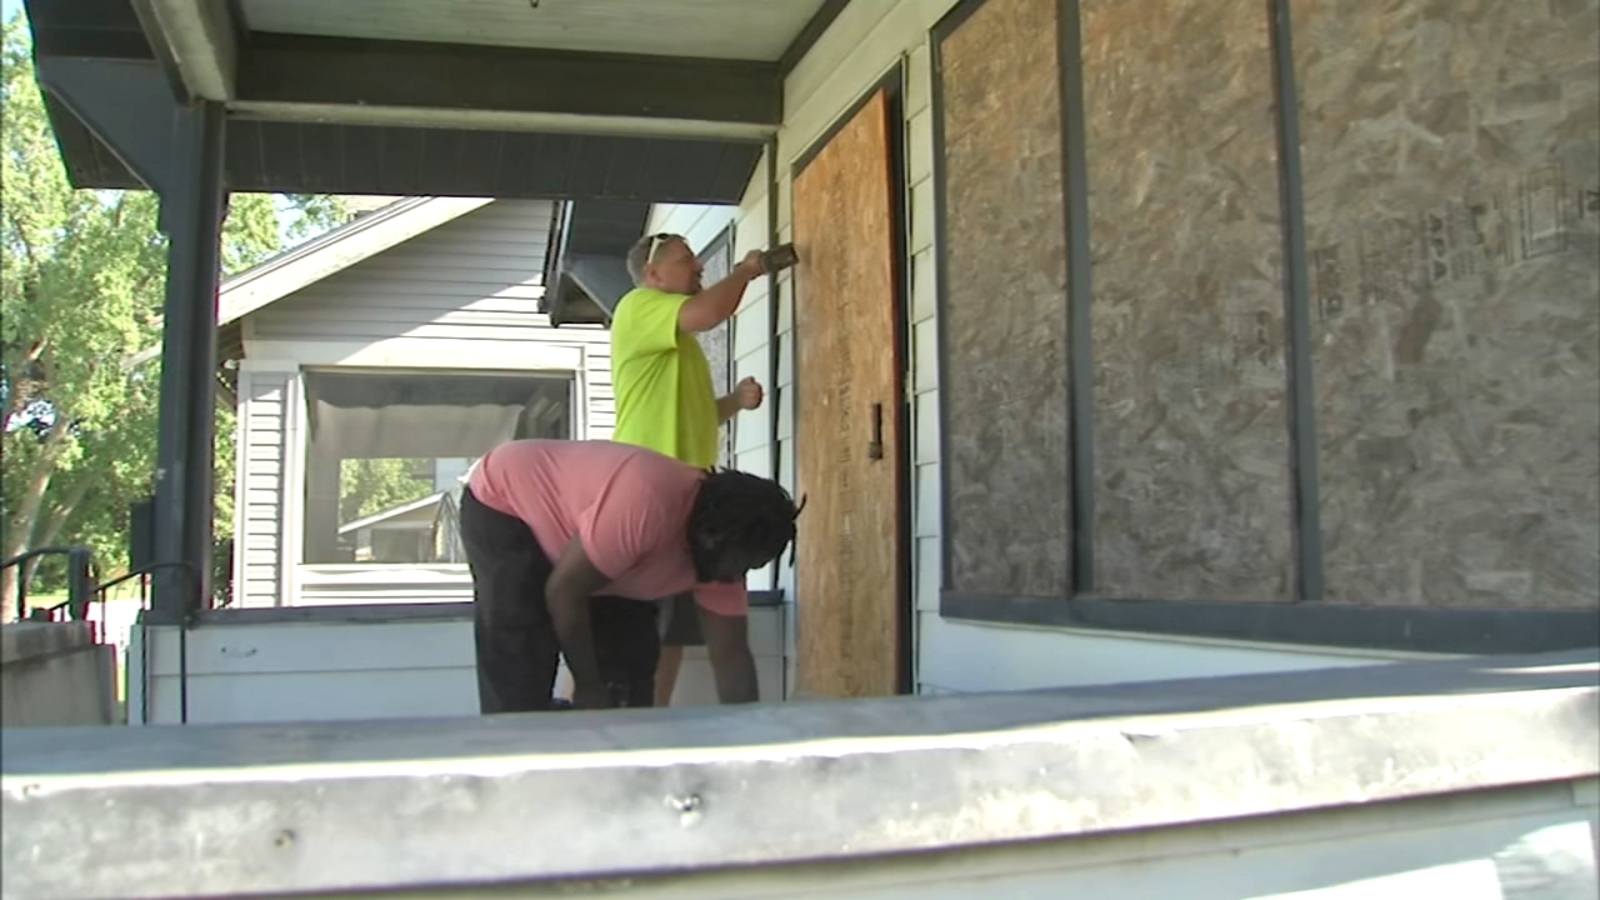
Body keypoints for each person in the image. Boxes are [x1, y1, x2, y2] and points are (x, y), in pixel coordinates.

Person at [459, 438, 799, 712]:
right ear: (712, 537)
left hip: (599, 553)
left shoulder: (726, 557)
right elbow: (563, 592)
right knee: (521, 663)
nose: (736, 578)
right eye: (739, 566)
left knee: (626, 688)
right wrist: (587, 686)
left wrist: (752, 738)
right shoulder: (650, 500)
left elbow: (731, 656)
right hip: (510, 501)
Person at [611, 231, 768, 706]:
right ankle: (599, 726)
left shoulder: (679, 344)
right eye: (685, 260)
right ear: (653, 274)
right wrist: (746, 271)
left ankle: (654, 723)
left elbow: (694, 414)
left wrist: (734, 402)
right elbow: (709, 313)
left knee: (670, 629)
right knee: (629, 628)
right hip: (646, 490)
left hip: (691, 496)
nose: (698, 267)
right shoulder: (638, 306)